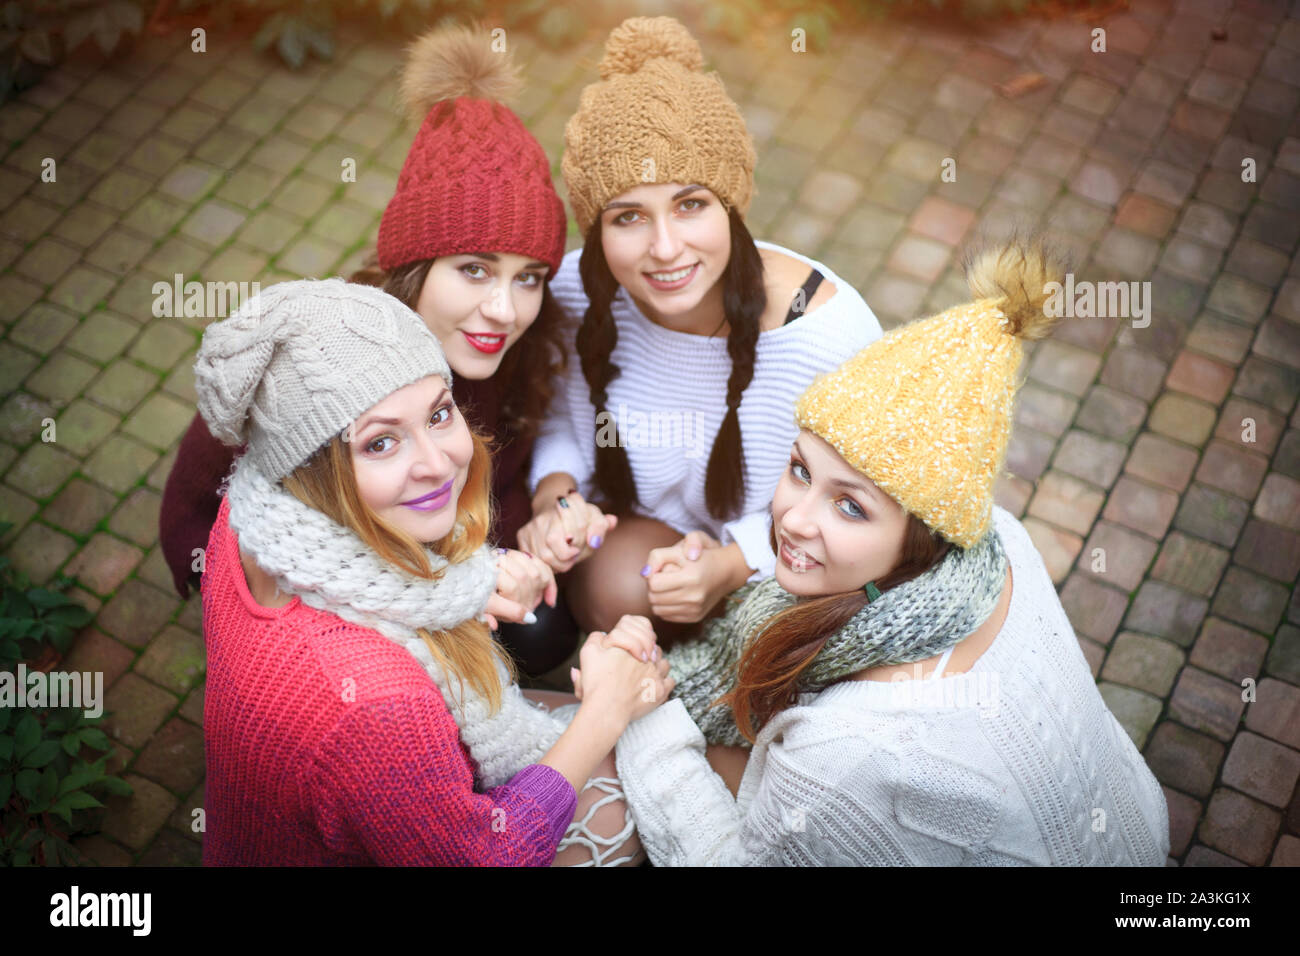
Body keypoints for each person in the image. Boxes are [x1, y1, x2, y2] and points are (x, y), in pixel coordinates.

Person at [581, 237, 1171, 865]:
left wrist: (637, 721)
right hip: (1130, 826)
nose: (792, 519)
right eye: (801, 470)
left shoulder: (843, 752)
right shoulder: (998, 540)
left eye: (851, 506)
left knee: (606, 797)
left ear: (920, 536)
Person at [196, 278, 668, 865]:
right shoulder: (373, 701)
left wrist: (476, 580)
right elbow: (482, 856)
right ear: (308, 471)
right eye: (380, 443)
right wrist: (603, 713)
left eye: (439, 413)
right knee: (652, 794)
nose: (438, 462)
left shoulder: (247, 520)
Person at [160, 24, 579, 675]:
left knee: (546, 632)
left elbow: (502, 481)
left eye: (528, 277)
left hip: (430, 554)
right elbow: (201, 491)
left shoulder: (512, 356)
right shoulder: (323, 352)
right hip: (321, 585)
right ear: (416, 265)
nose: (506, 309)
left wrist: (519, 549)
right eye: (475, 269)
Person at [516, 17, 883, 643]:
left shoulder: (825, 335)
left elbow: (860, 504)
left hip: (799, 562)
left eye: (690, 205)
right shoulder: (577, 290)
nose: (665, 248)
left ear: (732, 207)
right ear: (597, 232)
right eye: (628, 216)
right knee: (613, 590)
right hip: (647, 541)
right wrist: (555, 499)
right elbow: (557, 415)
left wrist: (736, 563)